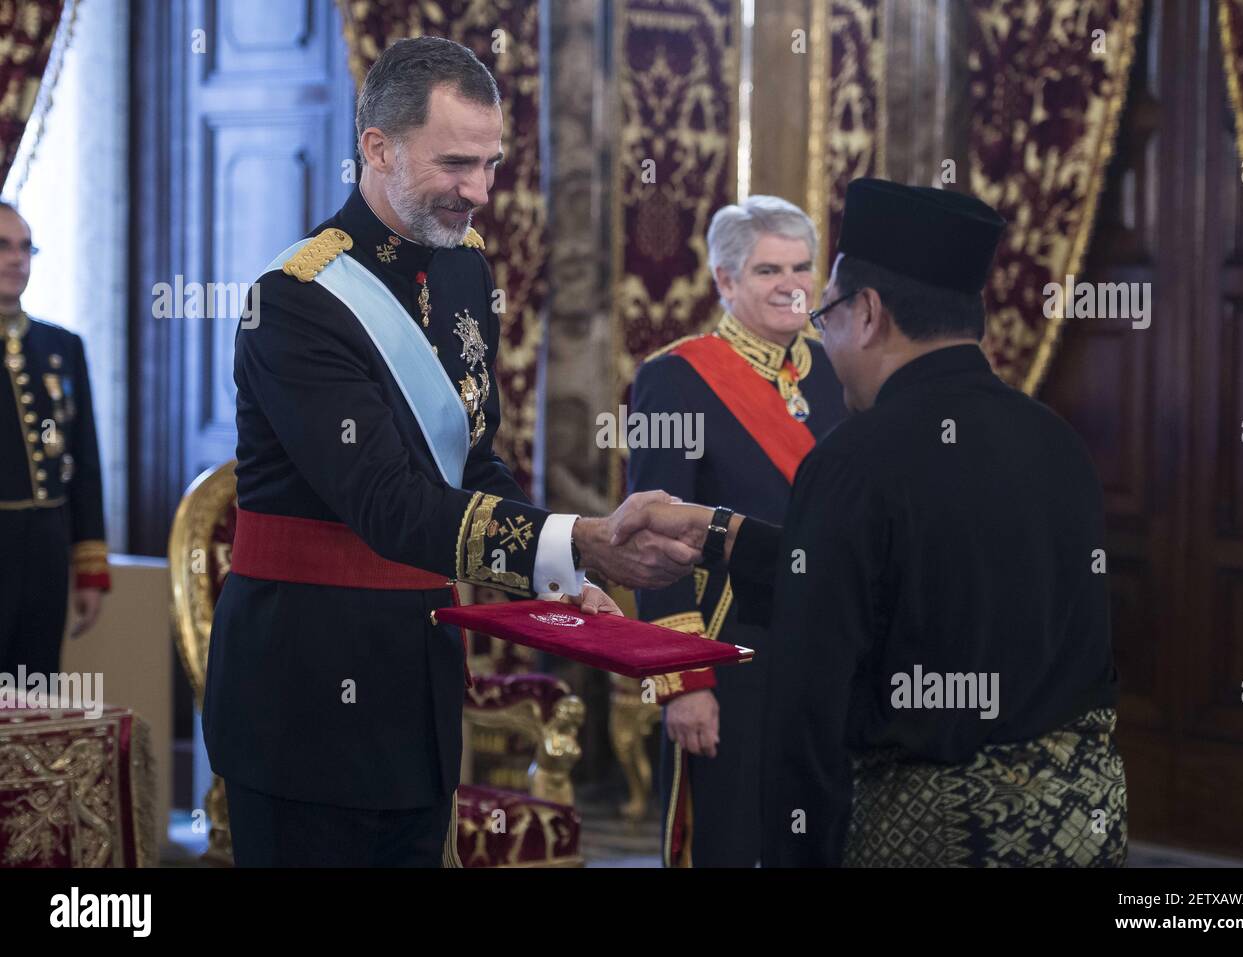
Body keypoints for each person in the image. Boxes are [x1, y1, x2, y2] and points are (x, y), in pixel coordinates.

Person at [203, 37, 691, 867]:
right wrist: (577, 539)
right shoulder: (293, 303)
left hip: (417, 676)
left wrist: (568, 571)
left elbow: (470, 462)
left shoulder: (465, 271)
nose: (481, 191)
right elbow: (391, 504)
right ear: (377, 147)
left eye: (492, 163)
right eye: (457, 164)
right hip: (305, 689)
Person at [613, 178, 1127, 868]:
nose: (803, 304)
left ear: (868, 313)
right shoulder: (1058, 441)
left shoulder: (855, 454)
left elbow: (817, 697)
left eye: (820, 296)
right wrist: (716, 536)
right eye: (771, 269)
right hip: (1074, 820)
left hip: (926, 827)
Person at [629, 196, 845, 867]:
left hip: (830, 647)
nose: (792, 285)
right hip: (731, 651)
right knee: (729, 840)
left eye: (803, 267)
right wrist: (684, 680)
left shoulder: (838, 368)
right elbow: (649, 543)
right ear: (724, 280)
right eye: (767, 270)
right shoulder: (673, 379)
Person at [0, 201, 109, 675]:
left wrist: (89, 568)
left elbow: (84, 462)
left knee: (37, 691)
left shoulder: (61, 347)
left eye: (26, 248)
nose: (16, 259)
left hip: (45, 549)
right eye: (3, 246)